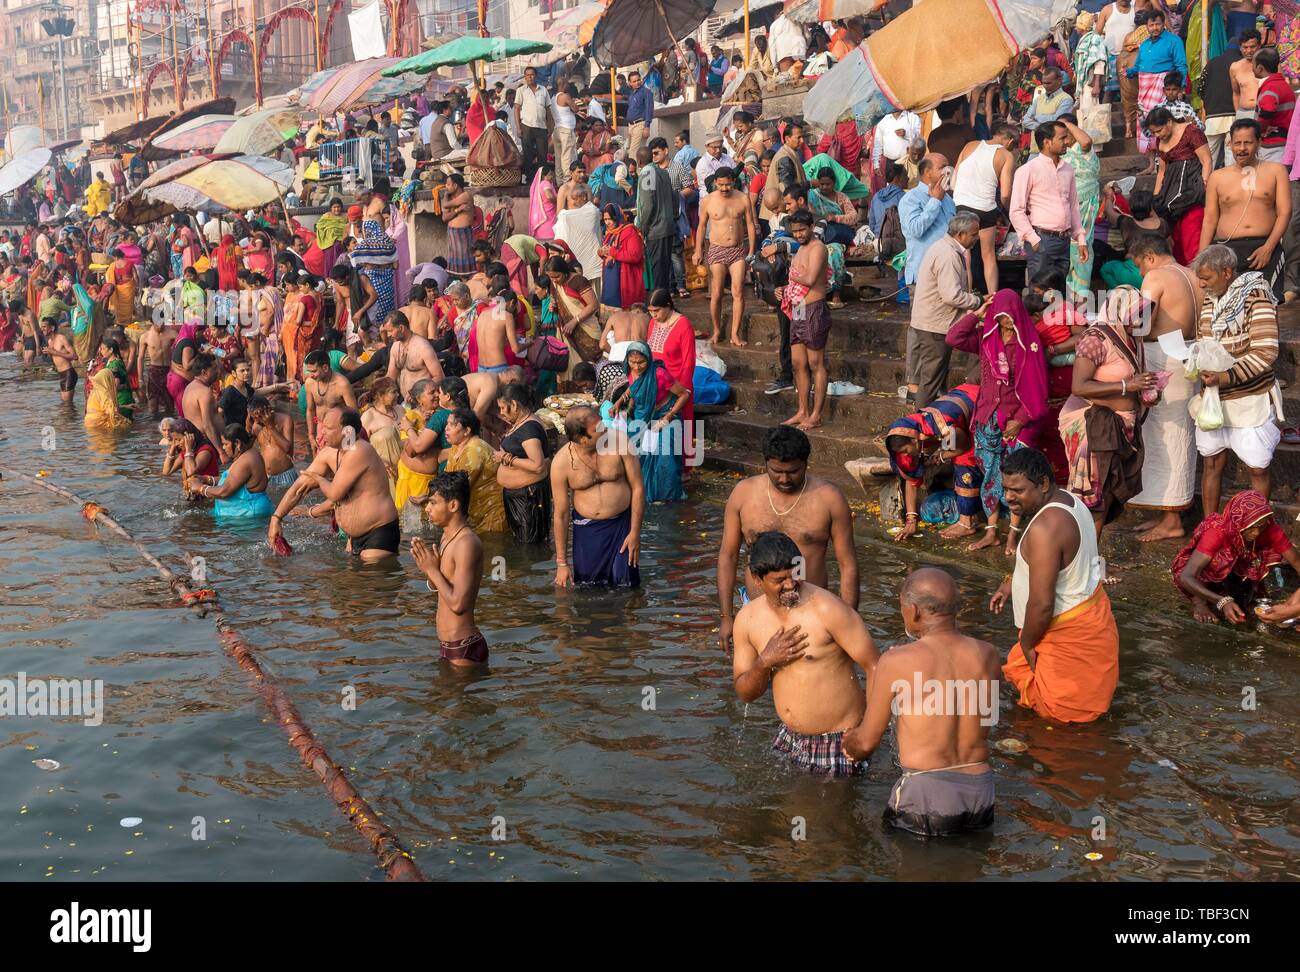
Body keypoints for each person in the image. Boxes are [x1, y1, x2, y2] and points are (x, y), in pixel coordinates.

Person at [842, 568, 998, 834]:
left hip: (927, 796)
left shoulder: (897, 661)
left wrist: (849, 743)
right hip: (981, 791)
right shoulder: (989, 654)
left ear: (913, 610)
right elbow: (981, 718)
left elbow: (866, 742)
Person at [731, 531, 879, 777]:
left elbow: (875, 665)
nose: (790, 584)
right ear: (757, 579)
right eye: (779, 580)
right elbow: (745, 694)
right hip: (789, 739)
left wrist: (868, 735)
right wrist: (765, 662)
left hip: (839, 741)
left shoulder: (828, 609)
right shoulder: (747, 620)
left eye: (795, 574)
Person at [990, 448, 1120, 724]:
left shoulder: (1045, 527)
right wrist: (1010, 582)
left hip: (1065, 631)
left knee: (1060, 725)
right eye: (1006, 488)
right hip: (1090, 618)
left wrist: (1027, 644)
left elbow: (1042, 604)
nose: (1009, 498)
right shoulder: (1071, 502)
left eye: (1018, 490)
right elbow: (1061, 564)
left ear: (1044, 484)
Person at [716, 426, 858, 652]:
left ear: (806, 464)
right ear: (765, 463)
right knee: (753, 678)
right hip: (756, 609)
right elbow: (728, 556)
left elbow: (847, 564)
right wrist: (726, 616)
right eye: (776, 471)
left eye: (793, 471)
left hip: (811, 609)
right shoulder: (743, 494)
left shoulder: (829, 498)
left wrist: (849, 621)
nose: (784, 478)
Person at [945, 289, 1050, 552]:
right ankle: (991, 532)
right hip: (987, 419)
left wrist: (1021, 420)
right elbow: (953, 337)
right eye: (1000, 317)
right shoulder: (986, 338)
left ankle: (1013, 536)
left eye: (1009, 317)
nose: (1006, 322)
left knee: (1016, 480)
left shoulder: (1029, 344)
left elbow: (1038, 390)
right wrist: (977, 314)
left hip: (1016, 421)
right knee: (991, 478)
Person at [1189, 244, 1282, 514]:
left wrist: (1225, 376)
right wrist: (1196, 364)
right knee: (1211, 463)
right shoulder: (1209, 301)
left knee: (1257, 467)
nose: (1201, 283)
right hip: (1215, 399)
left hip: (1250, 397)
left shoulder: (1257, 298)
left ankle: (1258, 530)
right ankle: (1210, 528)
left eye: (1206, 277)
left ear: (1227, 272)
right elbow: (1204, 342)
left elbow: (1266, 352)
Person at [1059, 285, 1154, 539]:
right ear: (1119, 311)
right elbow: (1079, 386)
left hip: (1119, 425)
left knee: (1108, 492)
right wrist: (1126, 386)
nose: (1141, 319)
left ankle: (1091, 559)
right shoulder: (1096, 339)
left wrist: (1147, 392)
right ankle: (1086, 561)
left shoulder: (1130, 338)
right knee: (1095, 496)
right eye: (1136, 313)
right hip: (1095, 424)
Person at [1126, 233, 1203, 540]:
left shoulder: (1156, 276)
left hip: (1164, 360)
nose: (1141, 274)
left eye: (1139, 266)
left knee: (1165, 436)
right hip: (1189, 355)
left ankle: (1172, 522)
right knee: (1177, 435)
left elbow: (1140, 325)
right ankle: (1165, 513)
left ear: (1149, 257)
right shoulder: (1193, 273)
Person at [270, 406, 399, 562]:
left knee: (367, 581)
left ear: (348, 433)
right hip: (353, 538)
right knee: (343, 582)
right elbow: (299, 486)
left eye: (329, 428)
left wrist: (319, 479)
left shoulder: (359, 450)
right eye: (323, 426)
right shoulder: (329, 453)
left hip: (379, 532)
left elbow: (334, 494)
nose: (323, 432)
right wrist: (276, 518)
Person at [1173, 489, 1300, 624]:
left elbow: (1298, 563)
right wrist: (1221, 601)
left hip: (1239, 571)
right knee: (1218, 559)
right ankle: (1199, 601)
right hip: (1207, 574)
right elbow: (1187, 576)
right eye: (1251, 527)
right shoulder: (1217, 532)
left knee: (1245, 598)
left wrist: (1292, 605)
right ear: (1238, 521)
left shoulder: (1271, 530)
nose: (1256, 533)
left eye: (1261, 527)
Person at [550, 406, 644, 588]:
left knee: (628, 587)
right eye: (598, 429)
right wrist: (561, 563)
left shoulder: (620, 441)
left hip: (622, 528)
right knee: (589, 589)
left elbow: (638, 487)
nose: (605, 430)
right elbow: (560, 515)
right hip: (587, 531)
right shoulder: (561, 463)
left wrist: (635, 532)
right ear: (582, 439)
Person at [1200, 119, 1291, 300]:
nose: (1242, 148)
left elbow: (1285, 212)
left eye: (1248, 142)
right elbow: (1209, 220)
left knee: (1266, 306)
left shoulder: (1276, 171)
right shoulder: (1217, 177)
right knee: (1227, 306)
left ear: (1259, 142)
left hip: (1264, 247)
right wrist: (1202, 258)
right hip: (1226, 250)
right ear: (1230, 144)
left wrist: (1269, 247)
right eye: (1237, 143)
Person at [410, 472, 488, 667]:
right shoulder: (446, 537)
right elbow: (443, 588)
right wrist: (432, 572)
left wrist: (431, 570)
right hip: (450, 646)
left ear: (453, 505)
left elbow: (459, 604)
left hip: (464, 648)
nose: (427, 508)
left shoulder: (466, 543)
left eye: (433, 503)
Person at [910, 213, 984, 410]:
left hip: (935, 321)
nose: (977, 238)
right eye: (974, 235)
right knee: (931, 380)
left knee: (936, 378)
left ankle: (931, 420)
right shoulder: (948, 254)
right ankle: (919, 425)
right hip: (935, 324)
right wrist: (978, 301)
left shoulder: (946, 248)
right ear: (960, 235)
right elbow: (951, 295)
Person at [609, 341, 691, 504]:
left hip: (666, 414)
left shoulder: (659, 374)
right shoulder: (631, 371)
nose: (637, 367)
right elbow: (633, 388)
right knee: (637, 451)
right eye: (633, 362)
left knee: (665, 456)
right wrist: (619, 403)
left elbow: (684, 394)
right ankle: (644, 491)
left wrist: (667, 417)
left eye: (641, 362)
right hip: (644, 417)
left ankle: (666, 495)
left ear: (648, 359)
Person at [1010, 122, 1088, 283]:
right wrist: (1034, 240)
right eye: (1062, 138)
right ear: (1047, 142)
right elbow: (1016, 210)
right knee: (1039, 295)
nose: (1067, 141)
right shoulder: (1027, 170)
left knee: (1058, 294)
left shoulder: (1067, 169)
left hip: (1064, 241)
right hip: (1041, 239)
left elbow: (1073, 205)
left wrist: (1081, 239)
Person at [775, 210, 830, 431]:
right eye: (795, 231)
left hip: (814, 309)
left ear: (810, 227)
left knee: (816, 363)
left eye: (801, 230)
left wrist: (792, 275)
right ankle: (802, 411)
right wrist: (783, 289)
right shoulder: (801, 250)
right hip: (797, 310)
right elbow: (798, 281)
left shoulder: (818, 248)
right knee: (798, 364)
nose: (798, 234)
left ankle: (816, 414)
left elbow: (808, 278)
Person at [952, 124, 1018, 294]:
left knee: (964, 255)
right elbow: (1004, 194)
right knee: (988, 256)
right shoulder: (1006, 155)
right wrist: (1011, 213)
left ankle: (965, 298)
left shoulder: (969, 146)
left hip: (960, 205)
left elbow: (953, 180)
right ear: (1010, 141)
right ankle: (992, 298)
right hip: (984, 209)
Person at [695, 166, 756, 346]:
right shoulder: (708, 200)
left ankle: (735, 334)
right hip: (716, 249)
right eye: (721, 185)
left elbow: (751, 225)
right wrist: (698, 250)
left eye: (727, 185)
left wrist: (751, 251)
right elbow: (701, 226)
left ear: (733, 182)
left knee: (738, 292)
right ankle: (717, 330)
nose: (724, 188)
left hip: (737, 249)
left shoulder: (743, 198)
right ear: (715, 183)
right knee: (716, 294)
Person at [1148, 105, 1212, 264]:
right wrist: (1156, 197)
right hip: (1171, 197)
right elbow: (1161, 171)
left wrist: (1202, 187)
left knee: (1192, 240)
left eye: (1159, 130)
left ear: (1169, 122)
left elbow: (1207, 160)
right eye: (1154, 132)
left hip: (1192, 194)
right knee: (1176, 241)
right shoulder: (1160, 140)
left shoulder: (1192, 132)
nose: (1157, 135)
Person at [494, 382, 552, 544]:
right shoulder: (521, 424)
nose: (501, 413)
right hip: (520, 496)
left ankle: (531, 570)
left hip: (529, 497)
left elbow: (538, 465)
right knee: (522, 543)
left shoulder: (529, 428)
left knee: (529, 546)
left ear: (514, 404)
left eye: (502, 408)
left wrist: (507, 459)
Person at [1127, 10, 1189, 154]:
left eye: (1158, 24)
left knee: (1161, 120)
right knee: (1145, 119)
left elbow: (1181, 65)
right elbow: (1138, 66)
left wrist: (1181, 87)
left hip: (1163, 85)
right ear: (1146, 27)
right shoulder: (1144, 44)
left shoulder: (1174, 40)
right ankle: (1151, 164)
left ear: (1163, 24)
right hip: (1144, 87)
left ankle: (1165, 159)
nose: (1155, 28)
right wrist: (1130, 72)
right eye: (1151, 25)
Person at [898, 153, 956, 304]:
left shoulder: (949, 200)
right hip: (923, 277)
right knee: (922, 326)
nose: (948, 171)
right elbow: (915, 230)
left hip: (948, 273)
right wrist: (935, 201)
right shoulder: (910, 199)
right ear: (927, 172)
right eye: (942, 167)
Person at [441, 408, 506, 534]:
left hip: (492, 514)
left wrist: (432, 499)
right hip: (476, 513)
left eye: (453, 425)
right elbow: (447, 480)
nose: (446, 428)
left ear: (466, 431)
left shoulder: (475, 448)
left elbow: (458, 487)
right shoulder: (456, 447)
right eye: (447, 424)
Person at [192, 424, 274, 519]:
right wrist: (208, 479)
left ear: (237, 443)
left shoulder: (246, 460)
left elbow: (224, 492)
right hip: (248, 512)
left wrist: (200, 488)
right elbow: (235, 480)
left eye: (226, 444)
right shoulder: (248, 454)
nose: (223, 448)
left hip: (249, 515)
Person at [635, 144, 677, 294]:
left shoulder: (647, 173)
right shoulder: (663, 172)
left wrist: (643, 226)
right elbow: (675, 197)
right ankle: (665, 301)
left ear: (639, 162)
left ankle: (660, 304)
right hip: (668, 225)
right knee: (664, 268)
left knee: (657, 270)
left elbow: (647, 205)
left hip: (655, 228)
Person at [304, 348, 358, 456]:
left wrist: (349, 440)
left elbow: (354, 413)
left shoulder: (342, 384)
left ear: (325, 367)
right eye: (309, 371)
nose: (310, 375)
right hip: (321, 426)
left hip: (339, 430)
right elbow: (310, 410)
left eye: (314, 371)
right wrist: (311, 435)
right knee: (320, 461)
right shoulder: (310, 383)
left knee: (340, 462)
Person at [553, 182, 603, 289]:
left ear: (584, 197)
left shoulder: (593, 212)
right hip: (577, 259)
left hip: (591, 258)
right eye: (573, 199)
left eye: (576, 199)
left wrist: (564, 215)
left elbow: (565, 215)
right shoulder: (570, 215)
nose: (575, 202)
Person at [385, 309, 444, 398]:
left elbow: (439, 377)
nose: (388, 335)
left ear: (401, 328)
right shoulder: (395, 347)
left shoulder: (422, 347)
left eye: (390, 331)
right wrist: (376, 391)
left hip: (424, 401)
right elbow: (390, 377)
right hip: (406, 402)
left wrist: (417, 391)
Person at [181, 352, 228, 464]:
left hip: (196, 442)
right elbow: (207, 424)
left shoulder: (189, 387)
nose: (218, 371)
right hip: (206, 442)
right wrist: (221, 452)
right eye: (214, 369)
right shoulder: (204, 392)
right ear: (204, 372)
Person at [598, 205, 646, 311]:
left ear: (617, 217)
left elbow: (635, 256)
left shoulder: (630, 232)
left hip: (626, 278)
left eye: (610, 219)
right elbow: (607, 252)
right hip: (611, 279)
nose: (608, 222)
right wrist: (601, 252)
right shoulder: (610, 233)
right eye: (605, 219)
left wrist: (612, 251)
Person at [1253, 47, 1294, 163]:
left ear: (1259, 67)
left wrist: (1259, 130)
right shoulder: (1283, 85)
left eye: (1253, 64)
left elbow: (1268, 111)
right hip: (1282, 143)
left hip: (1273, 146)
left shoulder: (1270, 87)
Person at [516, 68, 552, 182]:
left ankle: (541, 178)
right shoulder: (521, 90)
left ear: (536, 76)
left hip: (541, 126)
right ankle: (530, 178)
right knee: (528, 153)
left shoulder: (543, 90)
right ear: (525, 77)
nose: (530, 77)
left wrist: (550, 126)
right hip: (526, 125)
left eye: (532, 75)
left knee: (542, 154)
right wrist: (518, 127)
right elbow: (516, 109)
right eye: (527, 75)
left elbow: (548, 109)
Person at [1022, 69, 1075, 141]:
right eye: (1043, 83)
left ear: (1059, 81)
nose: (1045, 86)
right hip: (1036, 147)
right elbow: (1025, 120)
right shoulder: (1039, 99)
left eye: (1048, 83)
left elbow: (1058, 121)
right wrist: (1044, 128)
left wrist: (1036, 117)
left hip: (1055, 147)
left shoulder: (1066, 99)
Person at [84, 366, 131, 430]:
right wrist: (126, 422)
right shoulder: (104, 393)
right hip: (99, 424)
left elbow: (103, 407)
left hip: (90, 423)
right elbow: (110, 412)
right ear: (107, 379)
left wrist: (125, 406)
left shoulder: (95, 390)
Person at [624, 70, 654, 164]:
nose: (637, 82)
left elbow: (649, 109)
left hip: (640, 124)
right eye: (634, 81)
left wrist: (647, 127)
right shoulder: (632, 94)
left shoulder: (646, 92)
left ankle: (634, 174)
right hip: (631, 125)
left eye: (638, 80)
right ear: (630, 83)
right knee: (629, 150)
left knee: (634, 152)